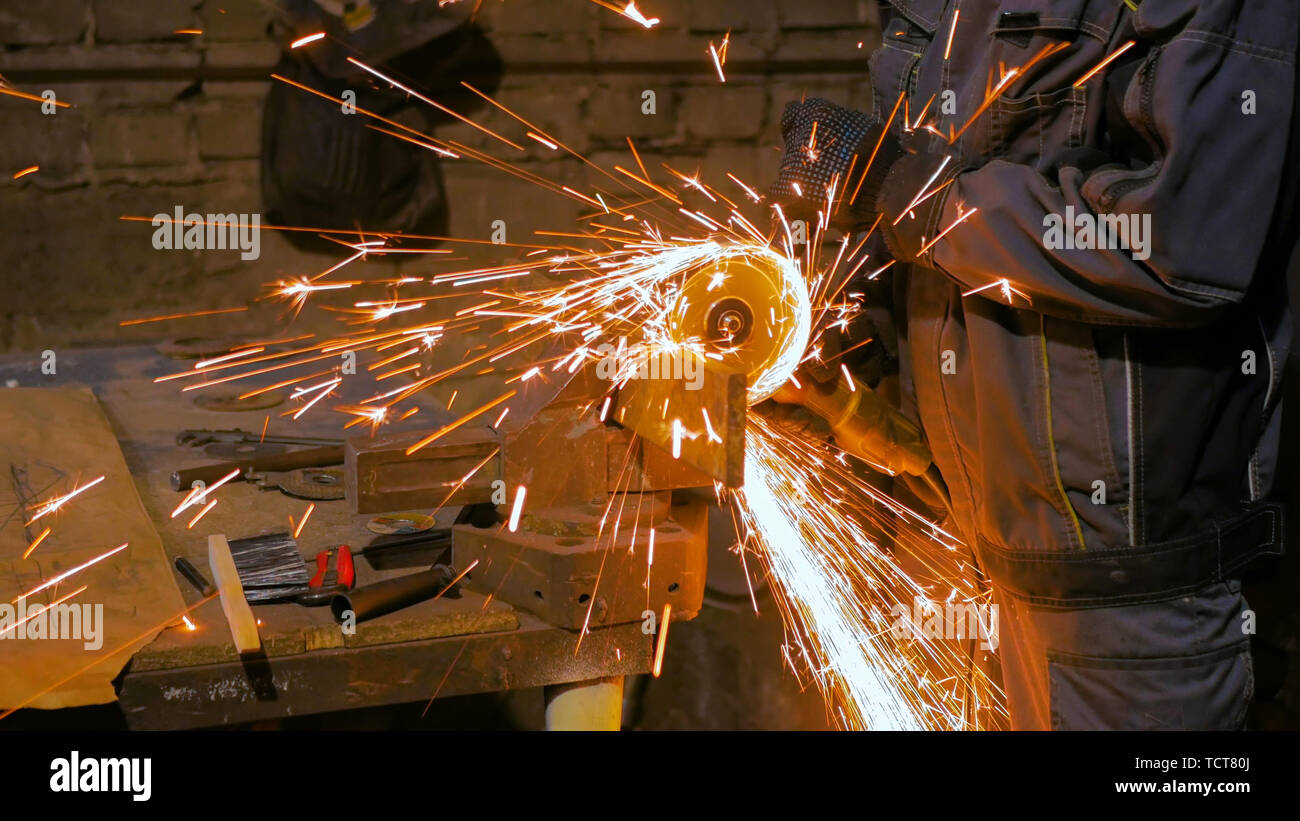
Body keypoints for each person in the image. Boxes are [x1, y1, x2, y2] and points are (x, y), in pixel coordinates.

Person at [767, 0, 1300, 729]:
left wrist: (903, 189)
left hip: (1127, 613)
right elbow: (944, 206)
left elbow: (1181, 242)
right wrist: (858, 350)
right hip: (963, 559)